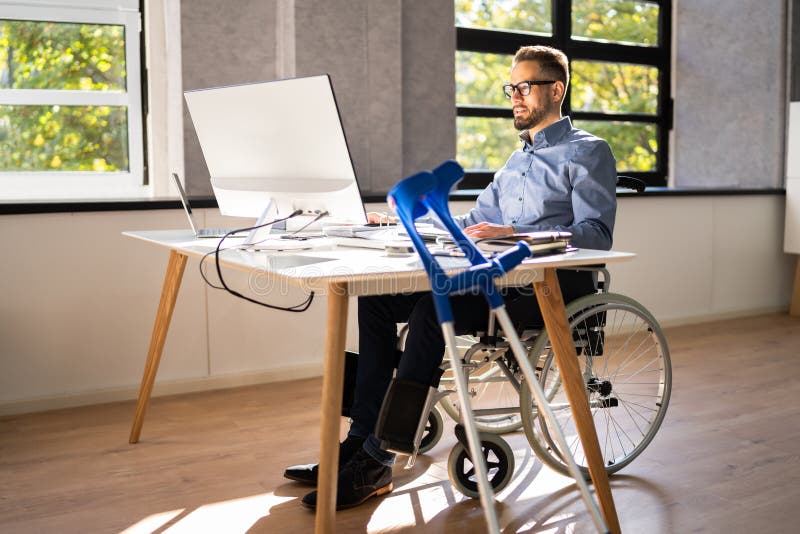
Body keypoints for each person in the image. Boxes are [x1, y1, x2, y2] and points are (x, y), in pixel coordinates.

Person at [286, 45, 617, 510]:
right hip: (488, 281)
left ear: (555, 89)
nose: (514, 97)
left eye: (524, 87)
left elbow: (596, 234)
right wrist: (406, 222)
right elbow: (474, 222)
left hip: (540, 289)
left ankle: (379, 460)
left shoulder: (588, 152)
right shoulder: (516, 161)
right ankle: (359, 438)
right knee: (375, 300)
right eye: (511, 88)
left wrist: (517, 231)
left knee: (428, 310)